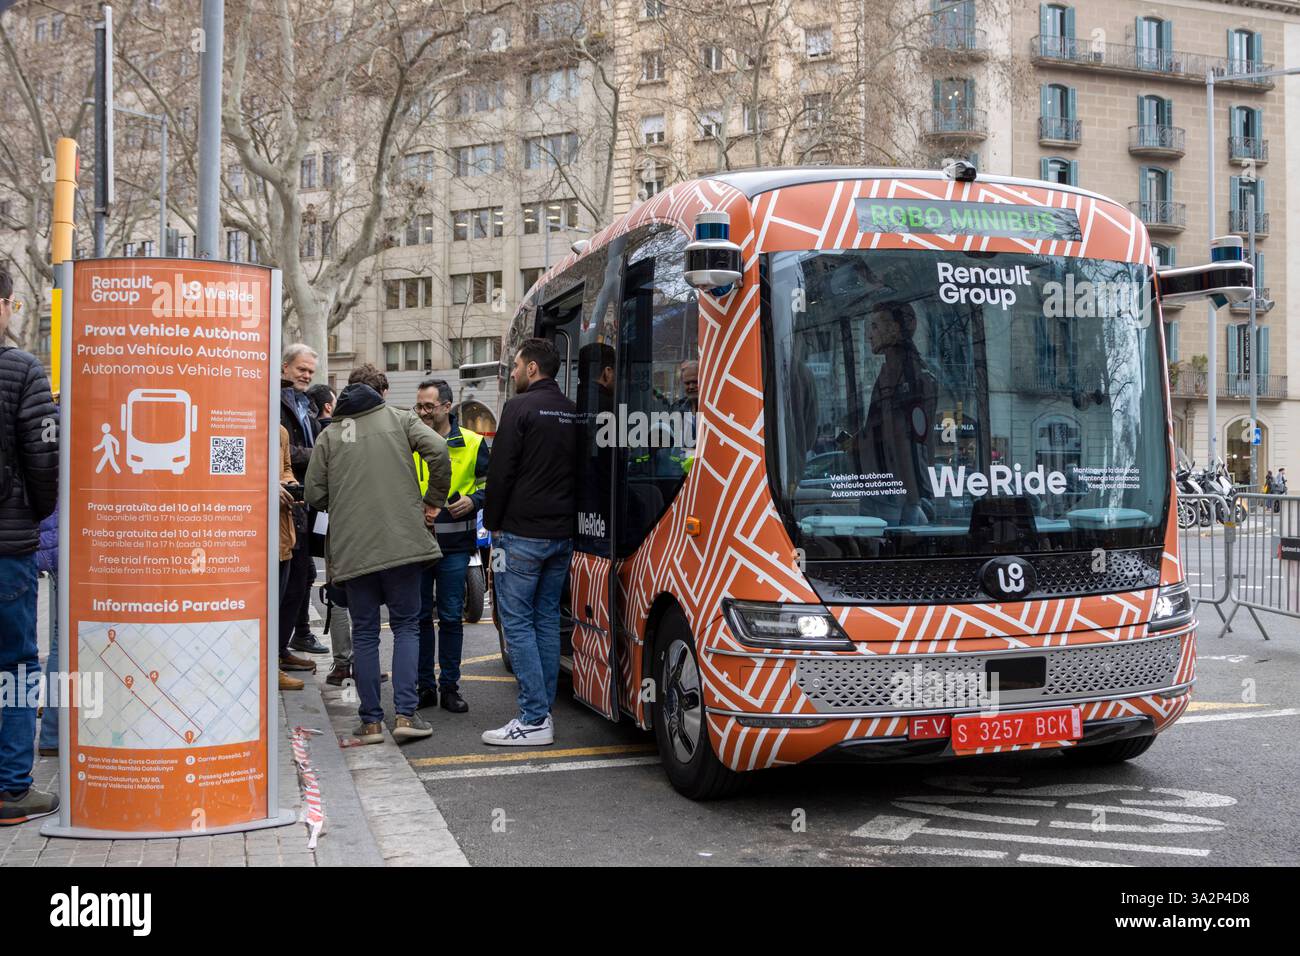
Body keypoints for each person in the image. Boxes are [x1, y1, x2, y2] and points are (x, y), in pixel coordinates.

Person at [305, 363, 450, 744]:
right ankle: (405, 714)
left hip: (353, 551)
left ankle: (370, 722)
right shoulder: (400, 419)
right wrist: (432, 503)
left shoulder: (331, 433)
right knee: (406, 626)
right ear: (379, 392)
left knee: (365, 633)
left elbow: (314, 495)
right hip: (402, 544)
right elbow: (438, 450)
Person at [481, 338, 579, 746]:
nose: (514, 372)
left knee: (516, 622)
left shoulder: (518, 408)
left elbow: (500, 472)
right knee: (544, 620)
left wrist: (492, 523)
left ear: (534, 368)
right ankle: (543, 712)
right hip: (561, 535)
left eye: (517, 366)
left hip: (520, 534)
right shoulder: (573, 411)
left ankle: (534, 717)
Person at [0, 268, 60, 825]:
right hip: (5, 549)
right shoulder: (20, 369)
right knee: (16, 667)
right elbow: (45, 463)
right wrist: (31, 517)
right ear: (8, 305)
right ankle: (11, 790)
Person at [413, 379, 489, 714]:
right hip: (415, 544)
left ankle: (450, 689)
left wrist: (474, 500)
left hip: (456, 546)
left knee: (450, 619)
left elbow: (493, 485)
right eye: (419, 406)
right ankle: (425, 688)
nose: (423, 412)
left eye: (429, 406)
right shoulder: (408, 441)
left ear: (447, 406)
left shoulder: (473, 443)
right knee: (418, 619)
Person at [854, 300, 937, 525]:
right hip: (887, 487)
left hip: (893, 494)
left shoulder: (908, 375)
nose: (869, 336)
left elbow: (906, 440)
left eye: (875, 327)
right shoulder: (891, 371)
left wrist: (913, 500)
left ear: (894, 329)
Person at [279, 345, 328, 663]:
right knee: (294, 576)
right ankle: (280, 650)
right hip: (285, 504)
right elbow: (288, 451)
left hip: (303, 503)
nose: (306, 376)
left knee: (303, 575)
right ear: (284, 368)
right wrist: (319, 455)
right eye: (301, 369)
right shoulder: (276, 403)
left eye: (310, 371)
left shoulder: (305, 405)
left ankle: (287, 644)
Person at [277, 426, 305, 691]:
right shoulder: (239, 421)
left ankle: (274, 659)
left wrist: (289, 482)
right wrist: (269, 487)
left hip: (283, 533)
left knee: (282, 599)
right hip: (252, 536)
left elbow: (286, 466)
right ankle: (267, 667)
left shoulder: (281, 431)